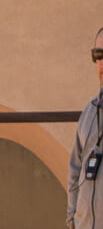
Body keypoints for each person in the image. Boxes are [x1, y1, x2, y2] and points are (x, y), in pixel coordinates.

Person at [68, 26, 103, 228]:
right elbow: (75, 168)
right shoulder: (89, 112)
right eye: (98, 55)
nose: (102, 62)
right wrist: (72, 218)